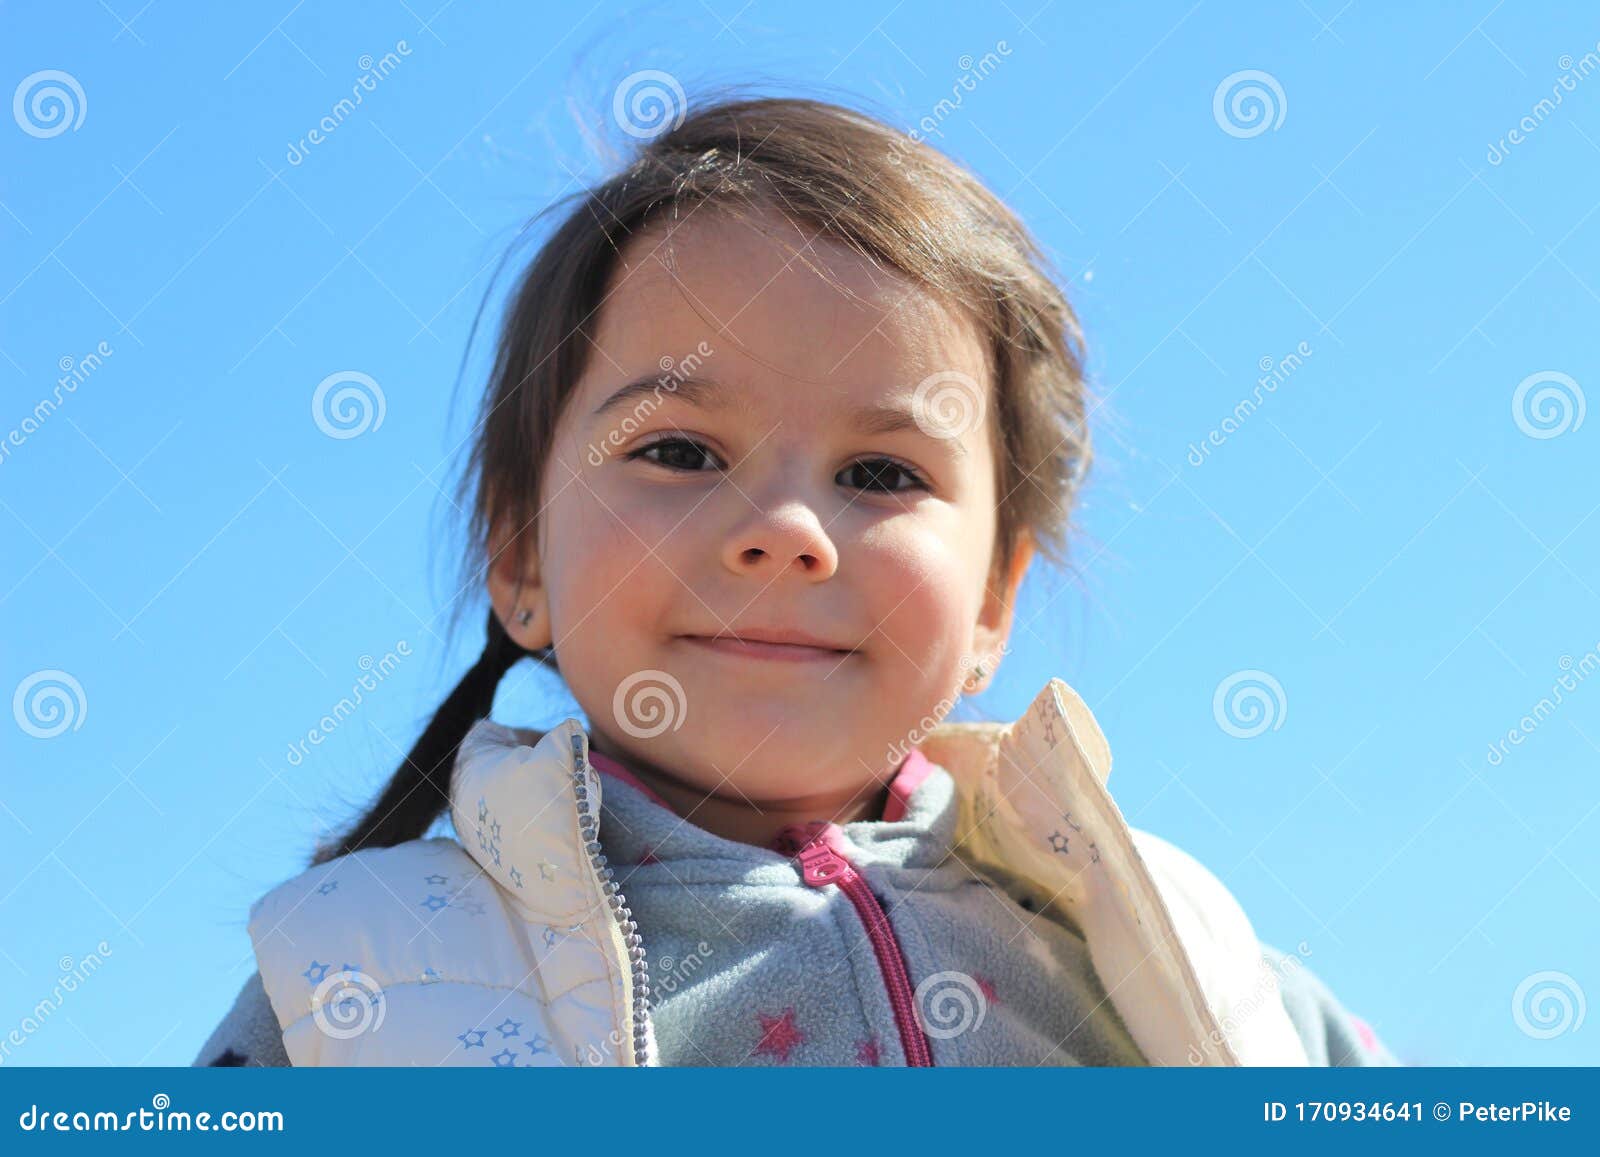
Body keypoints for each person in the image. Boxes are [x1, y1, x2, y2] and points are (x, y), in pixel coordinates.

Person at [195, 94, 1398, 1068]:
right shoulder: (366, 981)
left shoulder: (1181, 952)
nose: (782, 531)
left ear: (992, 600)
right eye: (677, 450)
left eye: (879, 470)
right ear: (521, 559)